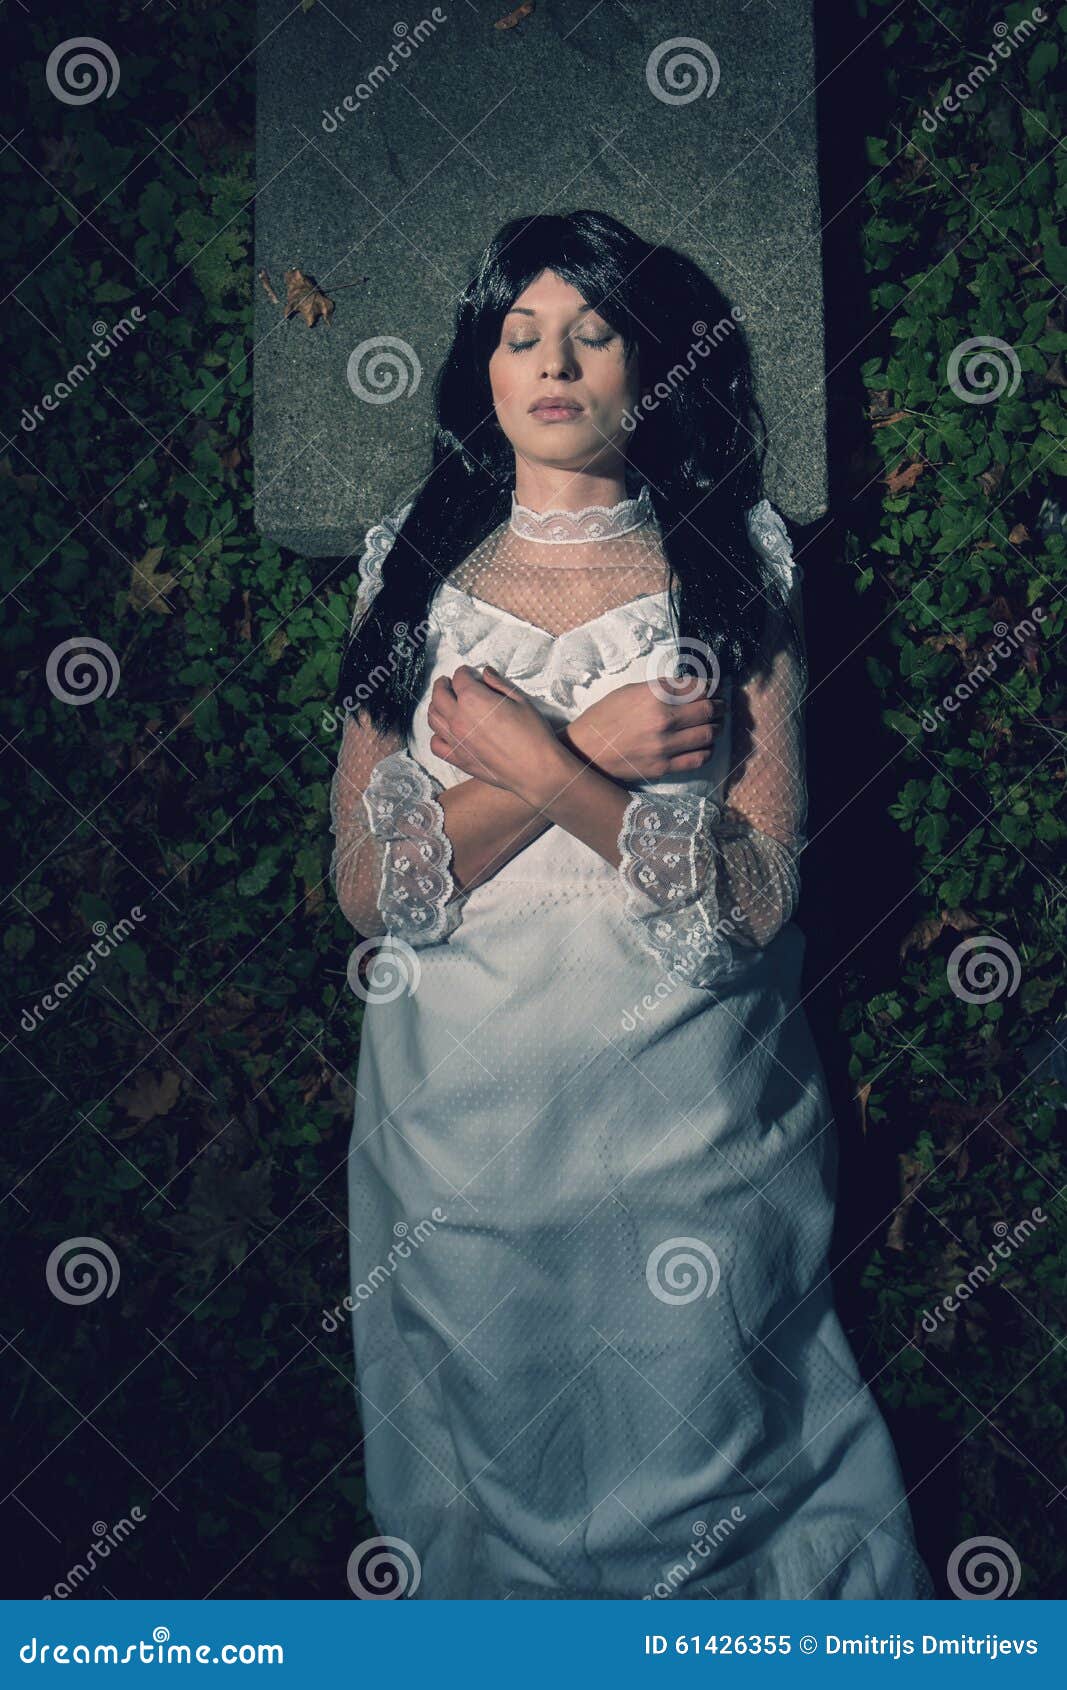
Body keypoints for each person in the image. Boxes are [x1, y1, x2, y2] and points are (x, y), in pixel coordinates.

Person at [328, 209, 932, 1600]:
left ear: (650, 371)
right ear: (481, 365)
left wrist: (548, 762)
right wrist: (586, 754)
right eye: (520, 333)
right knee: (500, 1430)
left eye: (595, 335)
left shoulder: (736, 557)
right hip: (463, 1111)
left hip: (688, 1097)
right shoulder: (410, 561)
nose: (555, 362)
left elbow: (759, 894)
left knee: (705, 1422)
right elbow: (368, 889)